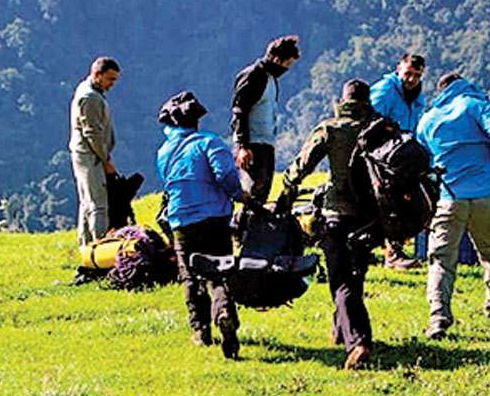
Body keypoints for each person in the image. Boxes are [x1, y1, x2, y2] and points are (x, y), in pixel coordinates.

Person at [276, 80, 379, 369]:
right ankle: (340, 329)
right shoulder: (380, 128)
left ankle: (358, 342)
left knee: (341, 280)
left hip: (337, 214)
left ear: (342, 101)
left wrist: (286, 189)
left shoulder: (331, 129)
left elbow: (302, 164)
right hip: (371, 218)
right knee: (356, 275)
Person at [416, 72, 490, 339]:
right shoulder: (474, 104)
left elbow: (423, 158)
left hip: (449, 197)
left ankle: (439, 317)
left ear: (441, 90)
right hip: (485, 194)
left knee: (441, 259)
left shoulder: (427, 120)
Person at [156, 91, 248, 357]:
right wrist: (241, 196)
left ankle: (200, 331)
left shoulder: (164, 152)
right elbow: (225, 176)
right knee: (220, 270)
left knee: (190, 275)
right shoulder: (210, 142)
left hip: (181, 221)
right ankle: (224, 311)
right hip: (215, 219)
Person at [370, 53, 427, 270]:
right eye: (408, 74)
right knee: (392, 200)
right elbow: (370, 123)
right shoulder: (385, 91)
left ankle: (396, 247)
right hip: (383, 156)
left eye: (417, 75)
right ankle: (393, 253)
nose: (411, 79)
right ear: (398, 70)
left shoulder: (418, 97)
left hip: (405, 156)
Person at [230, 35, 300, 205]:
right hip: (252, 145)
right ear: (277, 59)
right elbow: (240, 111)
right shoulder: (253, 75)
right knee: (252, 195)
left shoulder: (271, 78)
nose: (287, 69)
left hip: (266, 144)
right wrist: (242, 146)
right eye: (287, 64)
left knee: (262, 194)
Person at [69, 56, 120, 248]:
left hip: (87, 154)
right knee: (99, 204)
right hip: (91, 156)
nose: (112, 84)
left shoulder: (89, 91)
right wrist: (105, 159)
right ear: (97, 75)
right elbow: (92, 132)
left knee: (87, 202)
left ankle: (86, 247)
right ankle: (100, 246)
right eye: (110, 79)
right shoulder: (89, 97)